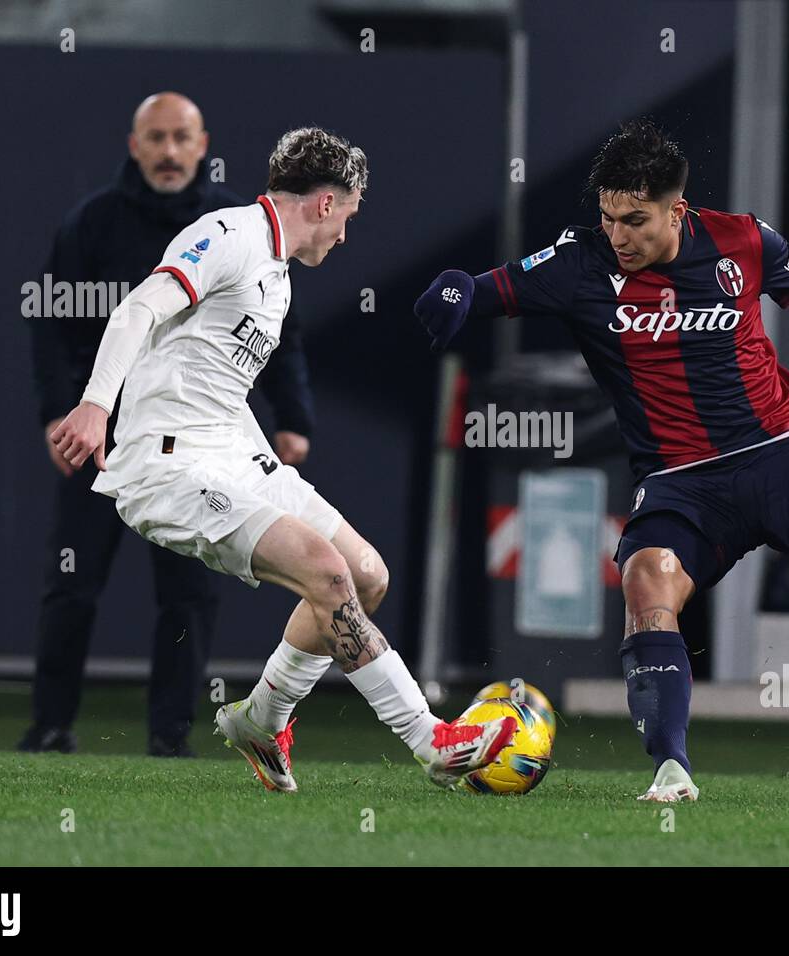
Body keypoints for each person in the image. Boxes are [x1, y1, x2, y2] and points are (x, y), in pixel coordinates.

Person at [415, 119, 789, 801]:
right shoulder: (581, 263)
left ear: (678, 210)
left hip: (779, 454)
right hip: (680, 485)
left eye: (635, 220)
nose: (619, 236)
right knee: (647, 587)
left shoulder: (742, 240)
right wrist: (456, 288)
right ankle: (671, 768)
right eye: (608, 218)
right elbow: (491, 290)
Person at [49, 125, 515, 792]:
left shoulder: (278, 273)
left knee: (366, 575)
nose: (345, 235)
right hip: (168, 466)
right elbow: (136, 311)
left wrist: (266, 466)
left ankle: (261, 719)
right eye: (348, 215)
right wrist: (97, 404)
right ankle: (431, 741)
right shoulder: (228, 235)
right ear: (326, 203)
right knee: (327, 576)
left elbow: (213, 380)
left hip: (236, 457)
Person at [25, 92, 317, 757]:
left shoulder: (235, 227)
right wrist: (60, 414)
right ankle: (49, 727)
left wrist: (293, 418)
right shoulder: (93, 223)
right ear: (135, 145)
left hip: (195, 445)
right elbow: (50, 322)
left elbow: (275, 332)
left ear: (202, 142)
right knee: (72, 586)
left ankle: (170, 737)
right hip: (102, 438)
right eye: (155, 138)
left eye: (181, 137)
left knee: (188, 595)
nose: (168, 151)